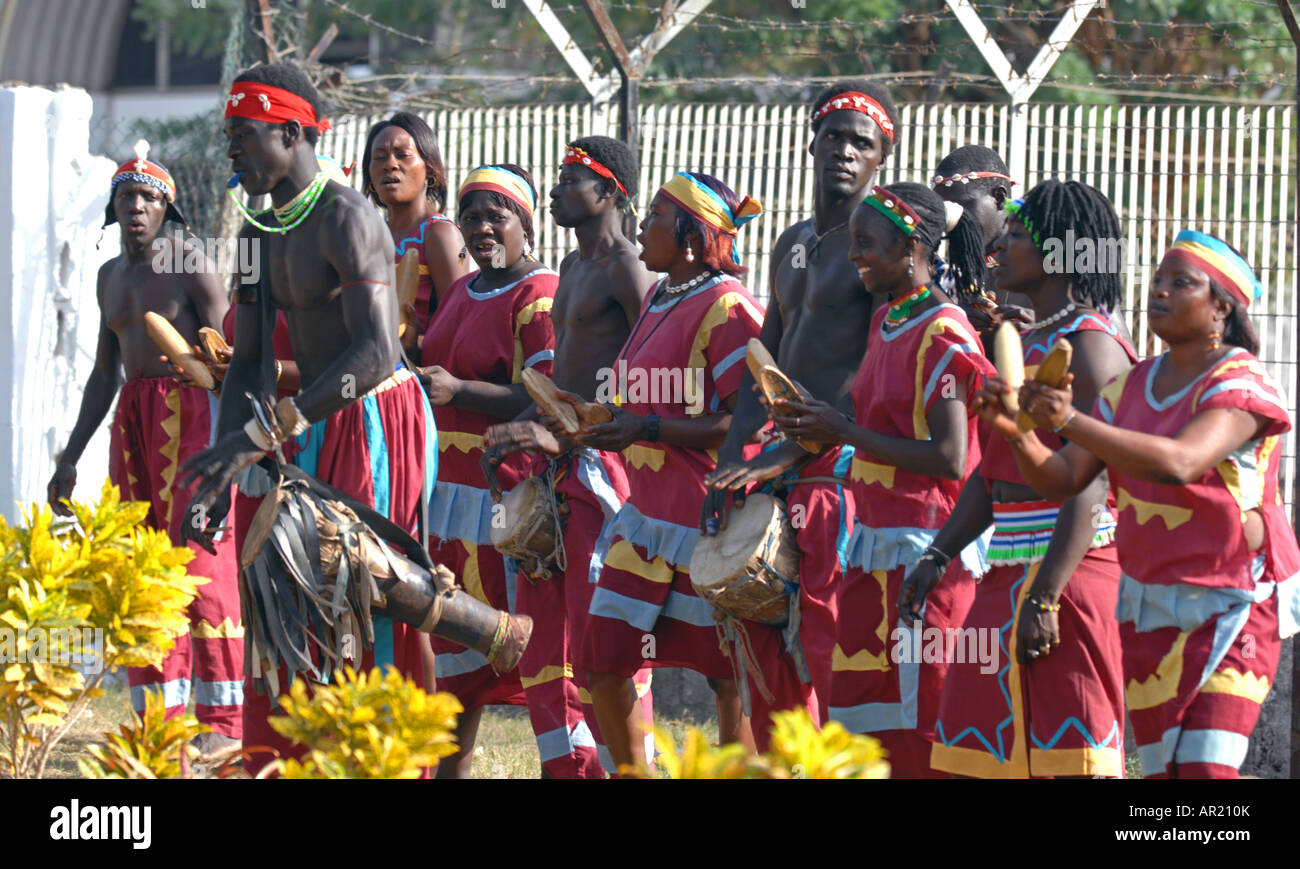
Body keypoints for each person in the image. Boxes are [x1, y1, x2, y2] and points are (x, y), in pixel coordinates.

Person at [178, 63, 436, 776]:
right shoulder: (260, 230)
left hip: (372, 418)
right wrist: (225, 466)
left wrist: (276, 426)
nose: (230, 152)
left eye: (242, 137)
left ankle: (383, 758)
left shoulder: (347, 218)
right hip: (299, 423)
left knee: (360, 592)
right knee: (282, 590)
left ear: (291, 134)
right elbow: (253, 355)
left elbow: (378, 351)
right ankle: (288, 757)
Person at [981, 229, 1300, 779]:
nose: (1159, 292)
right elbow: (1064, 478)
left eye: (1181, 283)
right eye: (1156, 280)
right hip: (1149, 606)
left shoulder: (1241, 381)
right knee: (1163, 781)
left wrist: (1066, 420)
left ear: (1221, 307)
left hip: (1234, 606)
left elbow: (1179, 462)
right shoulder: (1130, 387)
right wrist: (1018, 435)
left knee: (1205, 774)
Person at [900, 181, 1137, 778]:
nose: (998, 249)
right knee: (975, 757)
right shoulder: (1025, 339)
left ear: (1058, 253)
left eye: (1016, 237)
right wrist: (938, 552)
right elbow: (995, 469)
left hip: (1071, 574)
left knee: (1065, 762)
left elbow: (1090, 485)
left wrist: (1047, 596)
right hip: (1005, 566)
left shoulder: (1091, 347)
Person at [581, 170, 812, 772]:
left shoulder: (729, 307)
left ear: (689, 235)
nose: (640, 225)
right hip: (645, 522)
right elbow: (648, 398)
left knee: (730, 677)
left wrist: (647, 429)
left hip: (708, 522)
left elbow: (749, 418)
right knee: (603, 661)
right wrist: (605, 419)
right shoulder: (660, 295)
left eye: (656, 214)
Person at [774, 183, 994, 777]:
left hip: (927, 553)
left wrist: (843, 430)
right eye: (852, 244)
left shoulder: (944, 332)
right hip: (873, 548)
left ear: (911, 246)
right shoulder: (891, 320)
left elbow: (950, 457)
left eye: (866, 244)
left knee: (923, 723)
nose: (853, 256)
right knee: (860, 723)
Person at [702, 81, 899, 722]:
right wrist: (731, 461)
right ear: (810, 142)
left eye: (861, 143)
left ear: (881, 160)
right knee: (761, 648)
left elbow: (877, 371)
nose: (845, 151)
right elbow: (766, 360)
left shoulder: (882, 249)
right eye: (835, 137)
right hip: (780, 467)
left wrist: (787, 454)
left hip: (837, 471)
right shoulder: (792, 242)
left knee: (827, 643)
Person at [46, 148, 243, 754]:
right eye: (127, 197)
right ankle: (158, 722)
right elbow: (104, 375)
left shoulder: (191, 263)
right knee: (142, 566)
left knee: (200, 567)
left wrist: (234, 448)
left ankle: (221, 728)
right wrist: (70, 456)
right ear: (114, 205)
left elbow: (230, 359)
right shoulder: (109, 276)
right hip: (131, 423)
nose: (137, 207)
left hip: (192, 420)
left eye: (149, 198)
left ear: (167, 208)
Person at [482, 137, 657, 777]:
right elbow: (562, 376)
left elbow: (646, 372)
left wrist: (572, 435)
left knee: (602, 635)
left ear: (608, 192)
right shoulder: (573, 265)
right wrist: (523, 430)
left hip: (605, 470)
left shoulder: (627, 268)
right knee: (547, 636)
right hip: (558, 463)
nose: (553, 191)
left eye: (568, 179)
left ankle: (632, 767)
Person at [417, 164, 558, 778]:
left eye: (495, 215)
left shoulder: (539, 295)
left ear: (525, 222)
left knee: (526, 646)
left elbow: (546, 394)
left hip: (506, 492)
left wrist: (459, 390)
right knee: (452, 651)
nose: (480, 228)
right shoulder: (461, 291)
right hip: (448, 494)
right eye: (471, 216)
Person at [362, 111, 470, 355]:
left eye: (403, 155)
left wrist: (411, 345)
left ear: (429, 170)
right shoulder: (368, 237)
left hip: (417, 381)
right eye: (379, 157)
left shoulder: (440, 234)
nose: (390, 164)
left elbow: (457, 328)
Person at [930, 145, 1032, 340]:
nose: (955, 220)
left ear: (999, 198)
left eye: (963, 206)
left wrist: (1042, 326)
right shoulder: (945, 272)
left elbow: (1096, 323)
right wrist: (955, 319)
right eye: (947, 211)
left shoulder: (1047, 260)